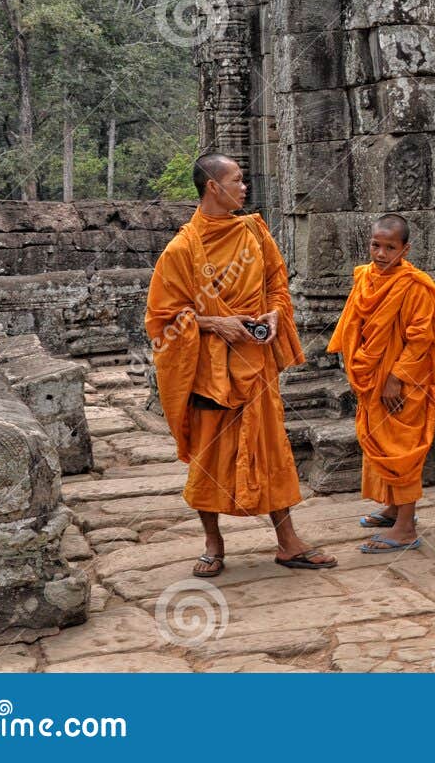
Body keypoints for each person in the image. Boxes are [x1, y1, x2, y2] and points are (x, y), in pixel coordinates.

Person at [144, 154, 337, 576]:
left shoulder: (253, 232)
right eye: (237, 179)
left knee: (270, 448)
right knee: (209, 457)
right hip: (209, 370)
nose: (245, 187)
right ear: (213, 186)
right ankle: (213, 543)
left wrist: (273, 314)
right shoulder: (181, 250)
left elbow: (276, 284)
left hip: (255, 363)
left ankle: (288, 542)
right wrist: (216, 323)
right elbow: (161, 320)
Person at [327, 214, 435, 553]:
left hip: (403, 381)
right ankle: (394, 507)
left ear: (405, 249)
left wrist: (396, 378)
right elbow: (354, 325)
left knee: (402, 448)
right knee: (379, 440)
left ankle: (406, 526)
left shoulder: (415, 285)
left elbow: (421, 339)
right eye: (375, 245)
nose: (381, 254)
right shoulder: (365, 278)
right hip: (373, 377)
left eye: (390, 248)